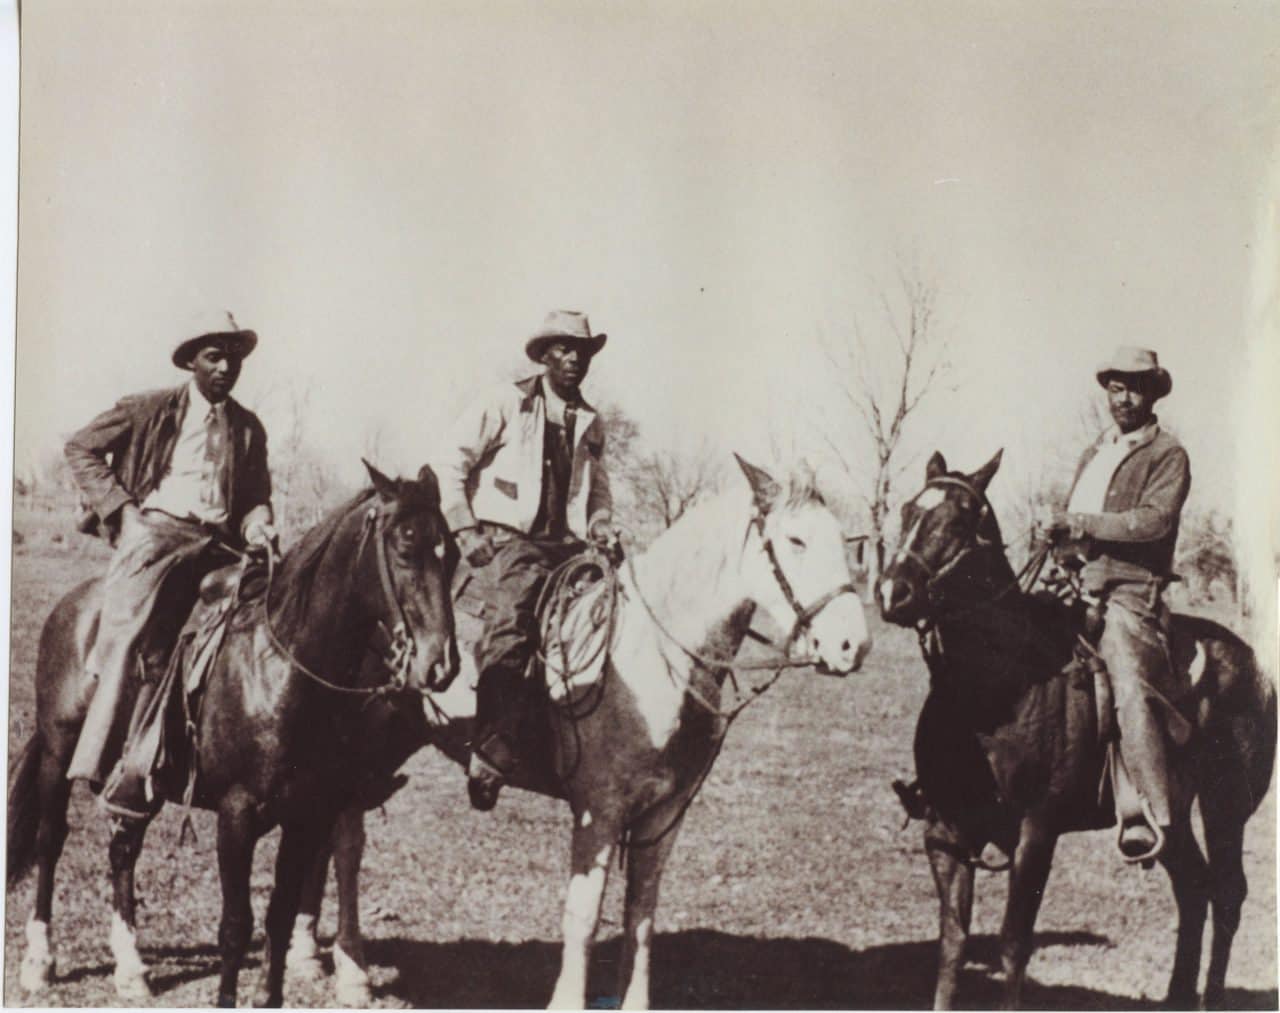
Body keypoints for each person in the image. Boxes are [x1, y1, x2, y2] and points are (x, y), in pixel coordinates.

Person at [64, 312, 275, 817]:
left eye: (234, 358)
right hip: (157, 536)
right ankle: (113, 764)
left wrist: (259, 525)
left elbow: (254, 497)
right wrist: (123, 512)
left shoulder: (247, 428)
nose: (226, 367)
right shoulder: (151, 407)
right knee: (129, 633)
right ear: (192, 362)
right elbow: (80, 448)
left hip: (220, 544)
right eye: (214, 356)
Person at [438, 309, 614, 810]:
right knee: (512, 624)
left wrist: (601, 525)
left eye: (581, 351)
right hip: (507, 541)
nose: (574, 359)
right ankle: (489, 752)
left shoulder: (591, 421)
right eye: (563, 349)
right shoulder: (505, 402)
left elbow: (599, 491)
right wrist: (464, 528)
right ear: (544, 356)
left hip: (569, 547)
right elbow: (451, 461)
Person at [1050, 346, 1192, 862]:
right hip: (1074, 583)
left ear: (1153, 394)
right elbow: (1073, 521)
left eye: (1134, 387)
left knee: (1129, 684)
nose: (1123, 397)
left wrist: (1082, 524)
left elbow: (1154, 521)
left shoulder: (1168, 455)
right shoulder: (1096, 451)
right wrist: (1058, 540)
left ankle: (1154, 815)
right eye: (1115, 387)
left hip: (1132, 593)